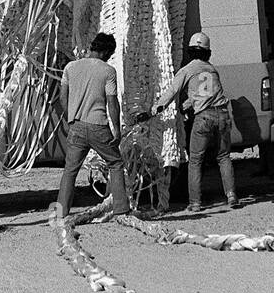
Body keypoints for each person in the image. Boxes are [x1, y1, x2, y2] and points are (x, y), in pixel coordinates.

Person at [140, 32, 238, 211]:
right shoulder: (211, 69)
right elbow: (204, 93)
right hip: (223, 115)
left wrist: (154, 110)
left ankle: (195, 203)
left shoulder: (187, 70)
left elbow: (171, 93)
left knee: (195, 160)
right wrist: (186, 106)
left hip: (204, 118)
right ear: (208, 52)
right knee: (223, 156)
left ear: (190, 51)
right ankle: (231, 195)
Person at [55, 32, 130, 220]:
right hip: (98, 125)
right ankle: (121, 209)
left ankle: (60, 213)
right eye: (110, 53)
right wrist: (117, 129)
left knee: (70, 170)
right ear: (105, 52)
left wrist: (70, 118)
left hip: (76, 126)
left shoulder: (70, 67)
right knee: (115, 162)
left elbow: (62, 97)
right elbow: (112, 102)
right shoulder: (107, 71)